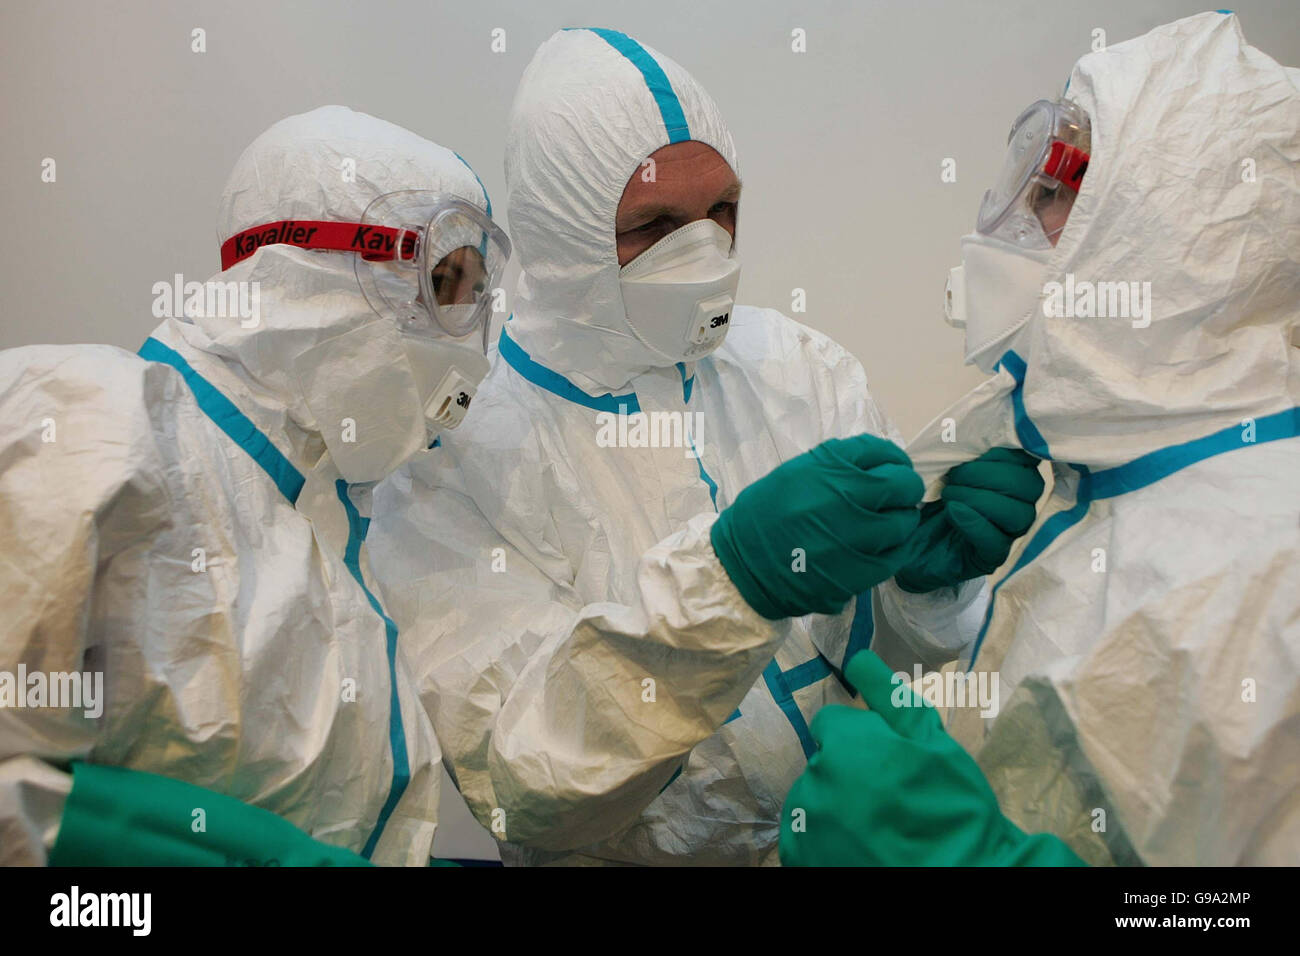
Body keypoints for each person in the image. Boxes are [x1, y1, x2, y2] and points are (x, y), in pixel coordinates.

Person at [368, 28, 1040, 865]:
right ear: (561, 237)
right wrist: (733, 584)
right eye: (653, 224)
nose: (706, 250)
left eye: (722, 210)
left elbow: (877, 672)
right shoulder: (452, 457)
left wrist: (923, 591)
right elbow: (523, 782)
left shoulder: (801, 368)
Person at [780, 11, 1300, 867]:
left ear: (1162, 227)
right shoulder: (1114, 485)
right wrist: (930, 602)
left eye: (1052, 192)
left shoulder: (1269, 573)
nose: (1010, 222)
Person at [0, 105, 511, 865]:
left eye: (474, 293)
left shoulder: (327, 527)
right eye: (442, 283)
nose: (466, 330)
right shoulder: (86, 418)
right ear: (308, 271)